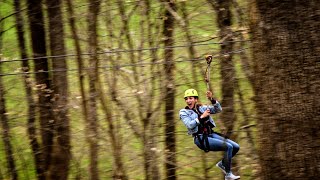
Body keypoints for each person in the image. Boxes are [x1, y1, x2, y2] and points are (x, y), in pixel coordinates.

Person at [179, 89, 240, 180]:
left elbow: (218, 109)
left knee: (235, 147)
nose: (188, 101)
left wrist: (212, 99)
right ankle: (228, 175)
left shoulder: (202, 108)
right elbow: (190, 125)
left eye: (191, 98)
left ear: (196, 99)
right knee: (228, 147)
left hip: (210, 134)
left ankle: (223, 164)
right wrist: (201, 117)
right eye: (186, 99)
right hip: (200, 138)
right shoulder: (184, 112)